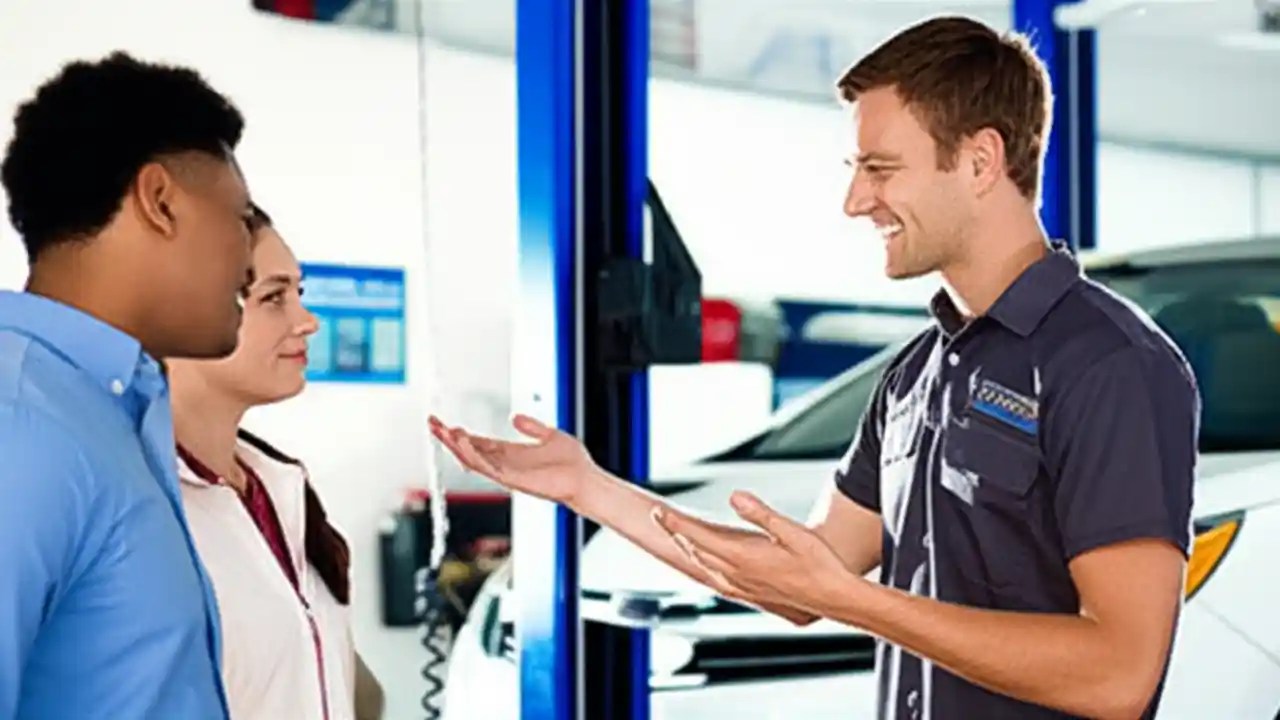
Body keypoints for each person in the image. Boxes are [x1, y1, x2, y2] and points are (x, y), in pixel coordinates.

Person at [428, 15, 1199, 720]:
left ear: (980, 160)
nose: (855, 200)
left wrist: (858, 603)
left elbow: (1117, 675)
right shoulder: (914, 376)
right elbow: (797, 581)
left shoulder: (1111, 366)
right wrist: (588, 488)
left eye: (880, 168)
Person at [0, 52, 254, 719]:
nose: (250, 262)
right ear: (160, 201)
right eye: (242, 220)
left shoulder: (105, 411)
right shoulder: (20, 423)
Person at [165, 206, 384, 720]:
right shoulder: (139, 502)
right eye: (272, 298)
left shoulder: (278, 486)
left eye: (298, 295)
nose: (307, 322)